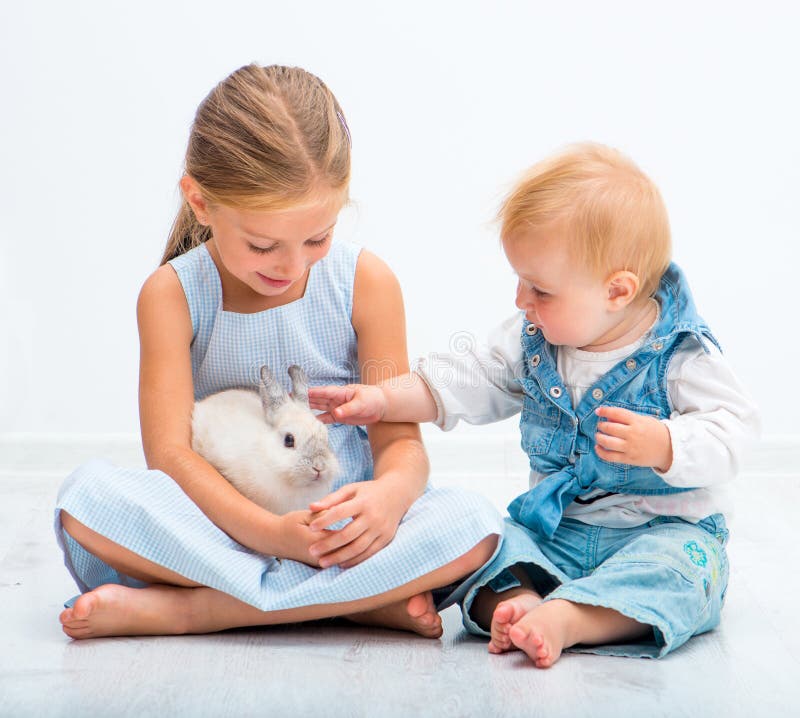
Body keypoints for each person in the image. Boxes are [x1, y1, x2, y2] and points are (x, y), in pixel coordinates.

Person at [55, 63, 502, 640]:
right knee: (86, 500)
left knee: (475, 526)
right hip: (222, 527)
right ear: (200, 202)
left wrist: (388, 499)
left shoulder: (366, 283)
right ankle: (352, 602)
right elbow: (170, 457)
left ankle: (198, 609)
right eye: (263, 245)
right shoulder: (173, 295)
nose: (291, 266)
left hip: (344, 530)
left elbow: (400, 443)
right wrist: (272, 536)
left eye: (317, 238)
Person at [309, 143, 760, 667]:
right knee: (480, 541)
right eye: (520, 282)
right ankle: (521, 603)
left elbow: (736, 430)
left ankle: (574, 618)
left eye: (540, 290)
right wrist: (384, 398)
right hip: (556, 534)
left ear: (616, 291)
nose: (522, 300)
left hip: (658, 534)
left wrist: (666, 444)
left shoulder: (682, 356)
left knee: (683, 574)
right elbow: (470, 376)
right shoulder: (534, 339)